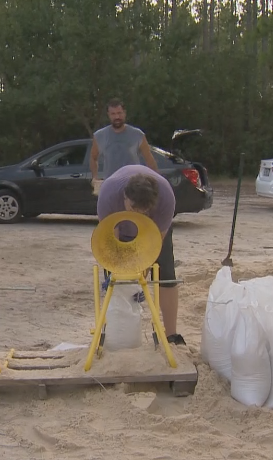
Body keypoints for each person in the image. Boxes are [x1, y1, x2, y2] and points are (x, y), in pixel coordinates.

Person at [96, 164, 183, 345]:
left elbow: (155, 242)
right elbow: (112, 238)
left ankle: (170, 335)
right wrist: (121, 272)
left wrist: (144, 268)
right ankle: (111, 333)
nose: (138, 214)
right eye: (134, 209)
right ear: (125, 197)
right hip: (119, 228)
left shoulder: (166, 197)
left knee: (166, 274)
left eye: (144, 211)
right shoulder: (109, 194)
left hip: (153, 232)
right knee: (114, 278)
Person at [90, 98, 159, 193]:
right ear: (109, 115)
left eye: (119, 113)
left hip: (134, 186)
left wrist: (156, 181)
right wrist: (95, 178)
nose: (117, 117)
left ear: (124, 113)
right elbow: (93, 158)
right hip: (111, 185)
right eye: (113, 114)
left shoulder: (137, 134)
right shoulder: (100, 136)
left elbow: (149, 159)